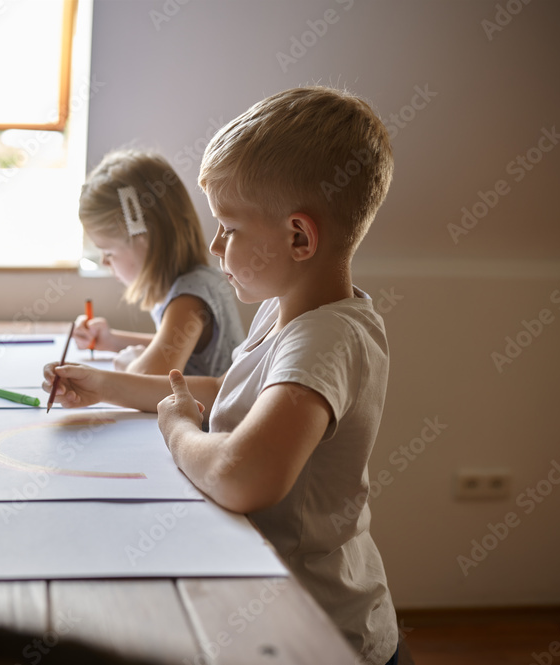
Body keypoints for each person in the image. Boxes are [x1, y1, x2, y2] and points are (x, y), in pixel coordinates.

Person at [44, 87, 399, 665]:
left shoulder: (326, 338)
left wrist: (179, 431)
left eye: (228, 227)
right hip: (272, 600)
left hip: (320, 631)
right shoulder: (284, 313)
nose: (213, 245)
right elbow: (227, 393)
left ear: (298, 237)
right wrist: (105, 383)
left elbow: (242, 475)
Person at [74, 149, 244, 376]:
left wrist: (130, 365)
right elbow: (166, 347)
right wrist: (112, 340)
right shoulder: (194, 284)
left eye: (108, 252)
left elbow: (150, 377)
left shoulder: (190, 298)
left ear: (141, 237)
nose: (105, 261)